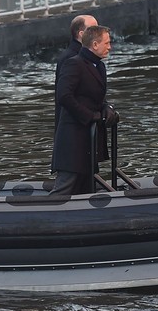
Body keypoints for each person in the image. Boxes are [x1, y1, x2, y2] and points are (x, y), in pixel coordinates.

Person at [51, 25, 118, 195]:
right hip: (73, 138)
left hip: (89, 140)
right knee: (66, 185)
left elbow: (94, 96)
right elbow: (64, 96)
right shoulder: (74, 64)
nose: (110, 47)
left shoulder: (99, 66)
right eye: (107, 43)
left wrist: (106, 108)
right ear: (95, 45)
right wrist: (90, 116)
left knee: (86, 184)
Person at [55, 13, 97, 127]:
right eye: (94, 30)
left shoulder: (89, 57)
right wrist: (90, 116)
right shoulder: (70, 58)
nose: (98, 34)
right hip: (73, 127)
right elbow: (65, 96)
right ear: (81, 34)